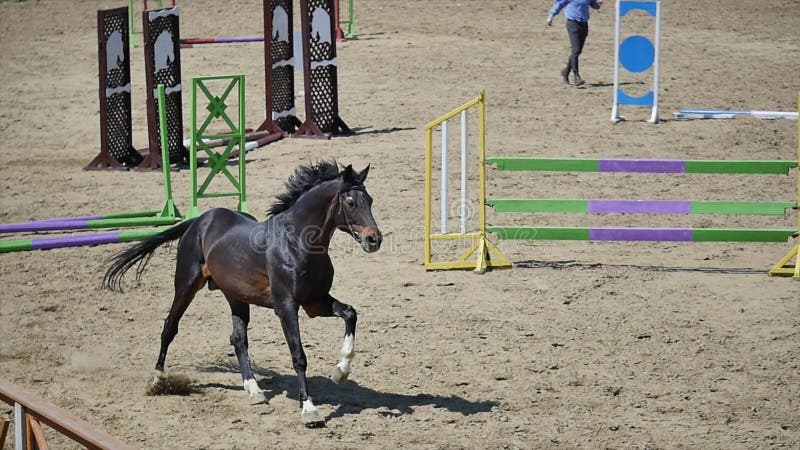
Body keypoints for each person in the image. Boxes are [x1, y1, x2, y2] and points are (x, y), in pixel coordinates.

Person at [547, 0, 604, 86]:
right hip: (573, 24)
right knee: (576, 50)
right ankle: (576, 76)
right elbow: (558, 5)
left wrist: (598, 4)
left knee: (577, 51)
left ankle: (566, 71)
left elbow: (594, 6)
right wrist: (550, 17)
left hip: (584, 25)